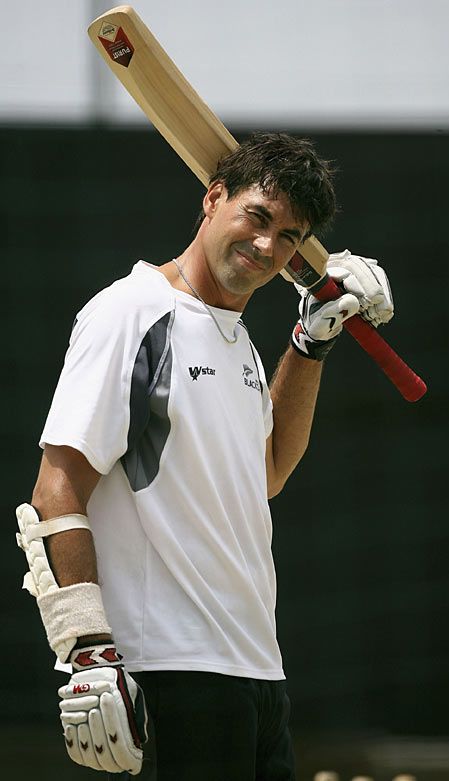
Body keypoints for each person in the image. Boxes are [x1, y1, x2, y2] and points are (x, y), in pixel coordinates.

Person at [16, 131, 394, 781]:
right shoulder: (130, 312)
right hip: (171, 672)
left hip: (257, 669)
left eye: (289, 235)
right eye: (258, 216)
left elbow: (269, 469)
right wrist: (86, 649)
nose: (268, 245)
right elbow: (57, 484)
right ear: (213, 198)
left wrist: (308, 342)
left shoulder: (240, 344)